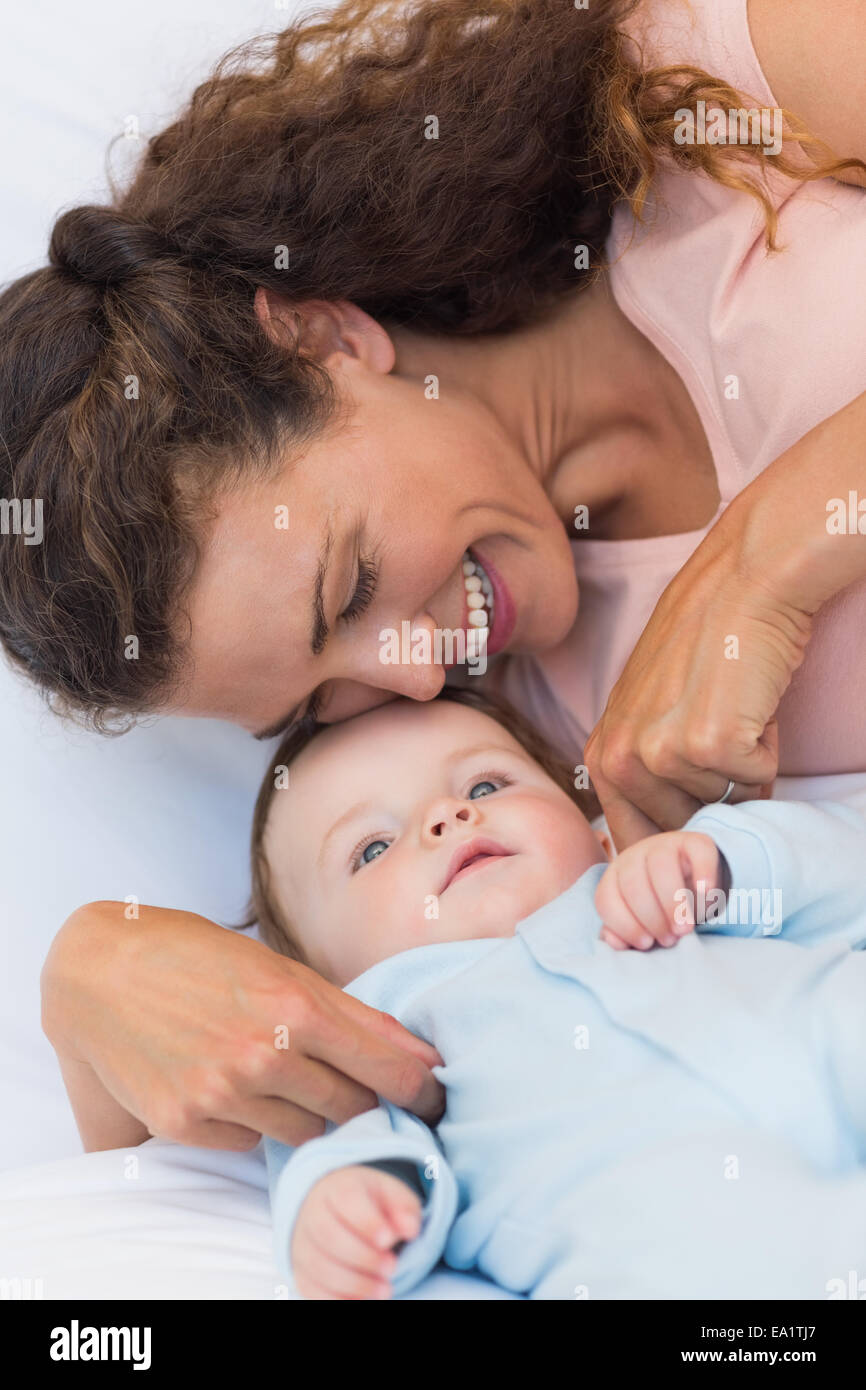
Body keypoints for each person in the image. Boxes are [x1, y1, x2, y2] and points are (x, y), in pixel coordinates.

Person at [10, 0, 866, 1153]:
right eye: (316, 699)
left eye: (351, 587)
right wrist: (82, 977)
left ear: (323, 339)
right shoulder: (550, 761)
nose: (412, 677)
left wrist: (764, 560)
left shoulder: (707, 106)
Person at [240, 689, 865, 1300]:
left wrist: (729, 864)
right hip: (665, 1212)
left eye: (485, 786)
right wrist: (346, 1205)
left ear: (595, 831)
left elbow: (846, 878)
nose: (446, 817)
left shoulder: (663, 879)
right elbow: (339, 1139)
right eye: (372, 849)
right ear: (326, 985)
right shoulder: (384, 1030)